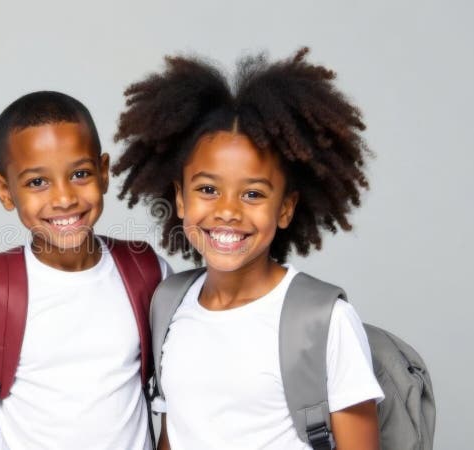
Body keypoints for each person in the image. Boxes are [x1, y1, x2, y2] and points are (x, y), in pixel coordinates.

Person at [112, 49, 385, 450]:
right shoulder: (169, 305)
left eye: (253, 193)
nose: (227, 211)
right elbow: (175, 434)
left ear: (286, 208)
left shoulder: (323, 320)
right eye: (207, 189)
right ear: (181, 199)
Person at [0, 91, 171, 450]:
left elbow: (176, 401)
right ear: (5, 191)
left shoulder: (147, 272)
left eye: (80, 174)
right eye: (37, 182)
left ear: (103, 173)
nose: (64, 198)